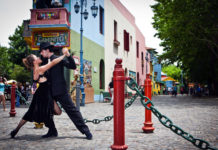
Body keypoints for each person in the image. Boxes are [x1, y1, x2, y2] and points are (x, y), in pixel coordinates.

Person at [39, 42, 93, 140]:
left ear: (47, 50)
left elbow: (72, 66)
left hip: (61, 90)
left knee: (72, 111)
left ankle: (86, 131)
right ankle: (52, 131)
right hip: (49, 92)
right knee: (46, 111)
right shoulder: (43, 61)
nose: (41, 53)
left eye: (42, 51)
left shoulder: (58, 59)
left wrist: (68, 55)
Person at [10, 49, 67, 138]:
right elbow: (53, 63)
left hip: (45, 96)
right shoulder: (39, 69)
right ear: (34, 61)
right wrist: (64, 55)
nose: (38, 57)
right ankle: (16, 130)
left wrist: (34, 88)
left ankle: (51, 130)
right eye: (36, 57)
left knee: (51, 112)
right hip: (43, 97)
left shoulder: (37, 70)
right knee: (51, 112)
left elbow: (34, 84)